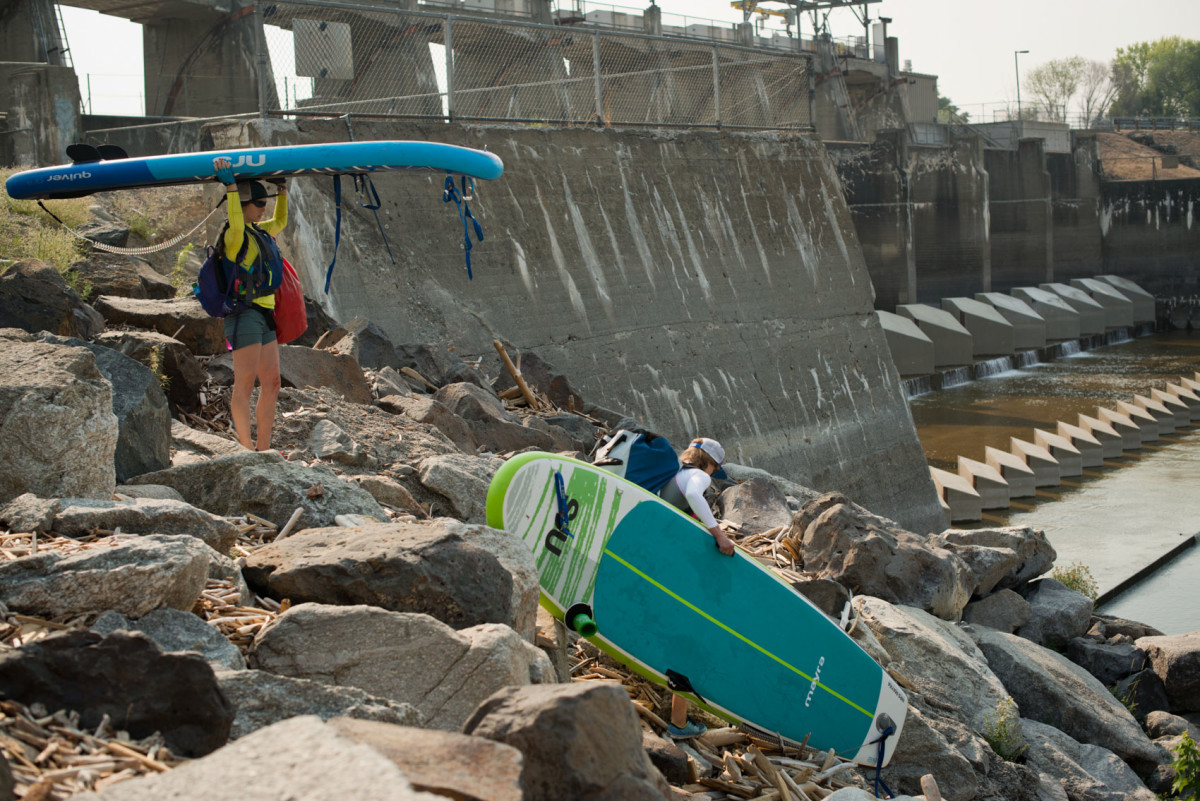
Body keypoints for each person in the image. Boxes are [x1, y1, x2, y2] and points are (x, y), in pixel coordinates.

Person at [657, 436, 735, 739]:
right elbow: (694, 493)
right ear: (710, 462)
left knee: (683, 640)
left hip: (660, 564)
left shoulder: (673, 473)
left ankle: (679, 722)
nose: (713, 475)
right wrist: (719, 535)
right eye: (715, 468)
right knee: (689, 637)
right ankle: (678, 723)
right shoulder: (697, 475)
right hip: (669, 570)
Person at [213, 156, 287, 452]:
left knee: (272, 383)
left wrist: (282, 191)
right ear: (242, 205)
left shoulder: (260, 232)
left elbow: (280, 220)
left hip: (264, 316)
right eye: (258, 203)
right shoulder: (235, 236)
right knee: (243, 385)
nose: (263, 207)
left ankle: (264, 448)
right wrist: (230, 187)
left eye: (264, 202)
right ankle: (245, 449)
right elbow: (234, 218)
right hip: (243, 315)